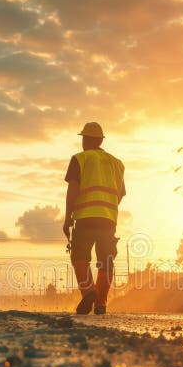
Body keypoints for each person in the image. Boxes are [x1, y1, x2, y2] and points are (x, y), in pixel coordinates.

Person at [63, 122, 125, 314]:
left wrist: (67, 218)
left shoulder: (80, 159)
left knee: (79, 256)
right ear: (100, 140)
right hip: (108, 219)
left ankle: (88, 291)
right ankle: (100, 303)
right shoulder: (117, 163)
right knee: (106, 260)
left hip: (84, 217)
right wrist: (108, 210)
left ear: (85, 140)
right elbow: (120, 194)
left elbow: (72, 189)